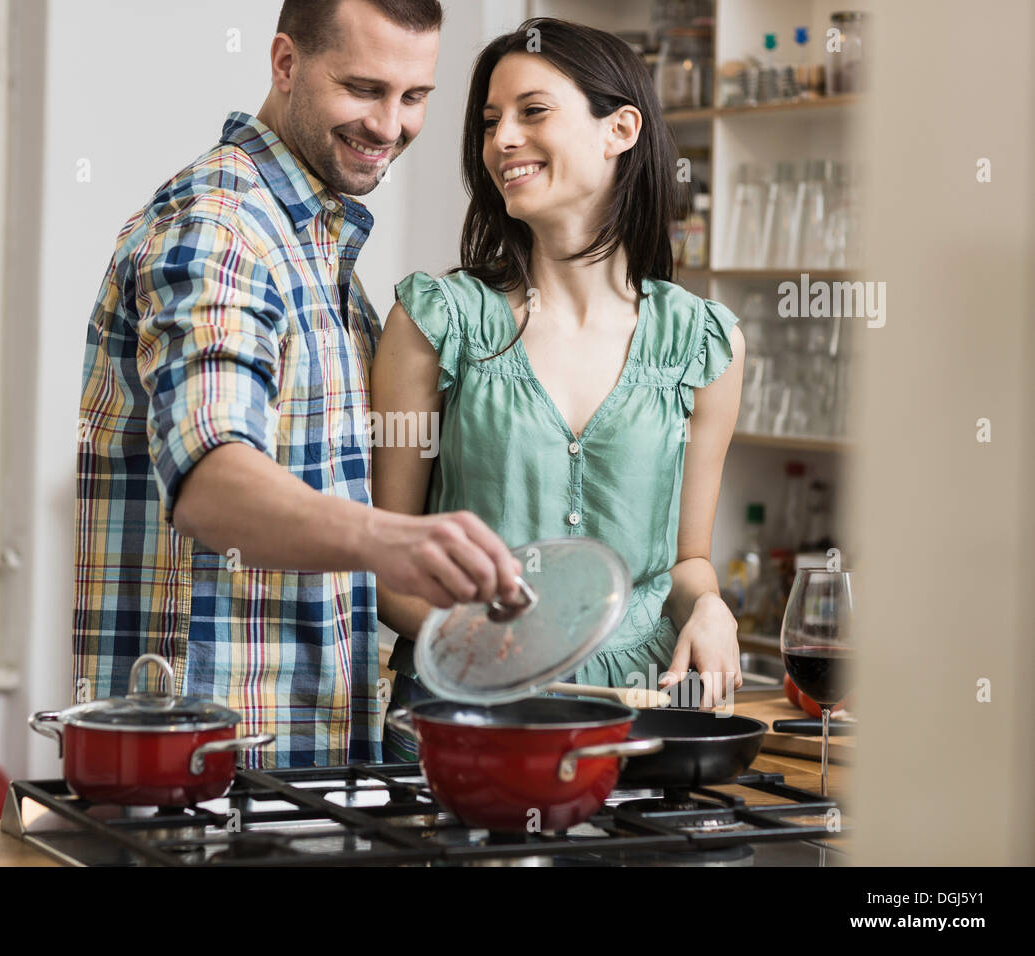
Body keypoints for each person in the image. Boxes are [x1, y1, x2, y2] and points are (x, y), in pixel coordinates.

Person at [73, 0, 521, 769]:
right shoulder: (218, 225)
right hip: (206, 780)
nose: (390, 125)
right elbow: (211, 483)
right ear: (285, 63)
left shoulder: (316, 244)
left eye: (415, 97)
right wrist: (394, 541)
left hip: (307, 773)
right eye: (364, 88)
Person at [372, 18, 747, 759]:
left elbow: (685, 561)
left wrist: (711, 609)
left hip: (636, 726)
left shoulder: (706, 344)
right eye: (489, 122)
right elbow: (388, 559)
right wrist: (498, 646)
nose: (501, 139)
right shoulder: (435, 322)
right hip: (463, 719)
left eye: (532, 112)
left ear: (621, 129)